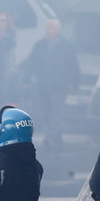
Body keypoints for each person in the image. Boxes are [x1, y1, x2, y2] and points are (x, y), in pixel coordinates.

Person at [19, 19, 79, 149]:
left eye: (51, 27)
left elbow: (73, 65)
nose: (48, 30)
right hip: (43, 84)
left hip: (60, 85)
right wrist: (26, 80)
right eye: (47, 28)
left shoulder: (66, 46)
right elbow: (31, 63)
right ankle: (56, 136)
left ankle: (50, 136)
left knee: (56, 111)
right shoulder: (39, 45)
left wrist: (75, 84)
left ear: (58, 30)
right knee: (46, 111)